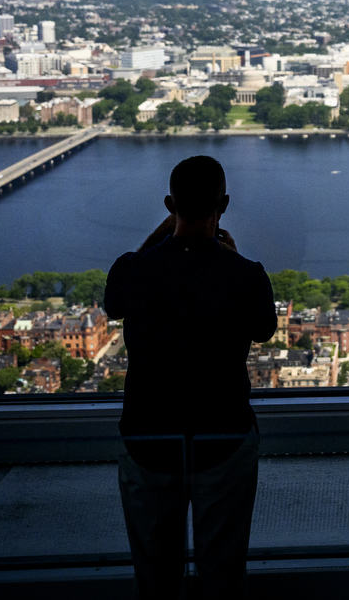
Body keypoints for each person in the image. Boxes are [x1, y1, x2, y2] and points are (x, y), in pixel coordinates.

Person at [105, 155, 278, 599]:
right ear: (225, 204)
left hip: (148, 438)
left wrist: (161, 234)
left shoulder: (135, 270)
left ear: (170, 204)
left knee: (153, 577)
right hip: (223, 437)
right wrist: (232, 257)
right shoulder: (245, 275)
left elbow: (115, 301)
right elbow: (263, 327)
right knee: (224, 575)